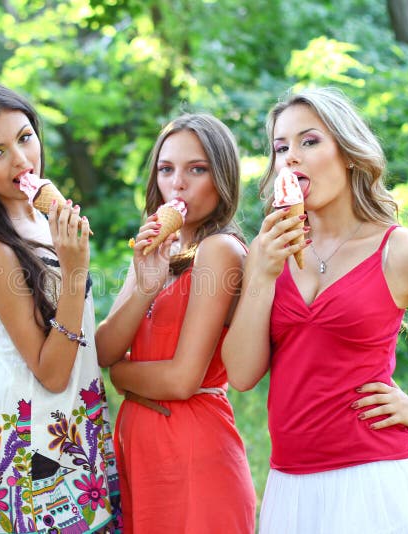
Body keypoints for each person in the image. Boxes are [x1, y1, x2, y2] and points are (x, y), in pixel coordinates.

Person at [222, 86, 408, 533]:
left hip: (377, 481)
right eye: (280, 147)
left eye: (309, 141)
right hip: (292, 485)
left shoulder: (399, 251)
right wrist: (260, 272)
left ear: (349, 154)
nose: (291, 157)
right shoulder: (268, 249)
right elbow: (240, 376)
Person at [0, 81, 121, 534]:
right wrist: (75, 272)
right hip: (30, 449)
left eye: (25, 138)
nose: (22, 160)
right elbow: (51, 373)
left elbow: (82, 335)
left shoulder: (43, 220)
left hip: (73, 427)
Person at [95, 113, 257, 533]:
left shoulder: (220, 250)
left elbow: (183, 380)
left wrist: (122, 376)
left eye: (196, 169)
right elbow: (104, 350)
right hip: (144, 453)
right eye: (166, 169)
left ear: (222, 179)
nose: (177, 183)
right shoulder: (156, 248)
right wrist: (145, 286)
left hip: (193, 453)